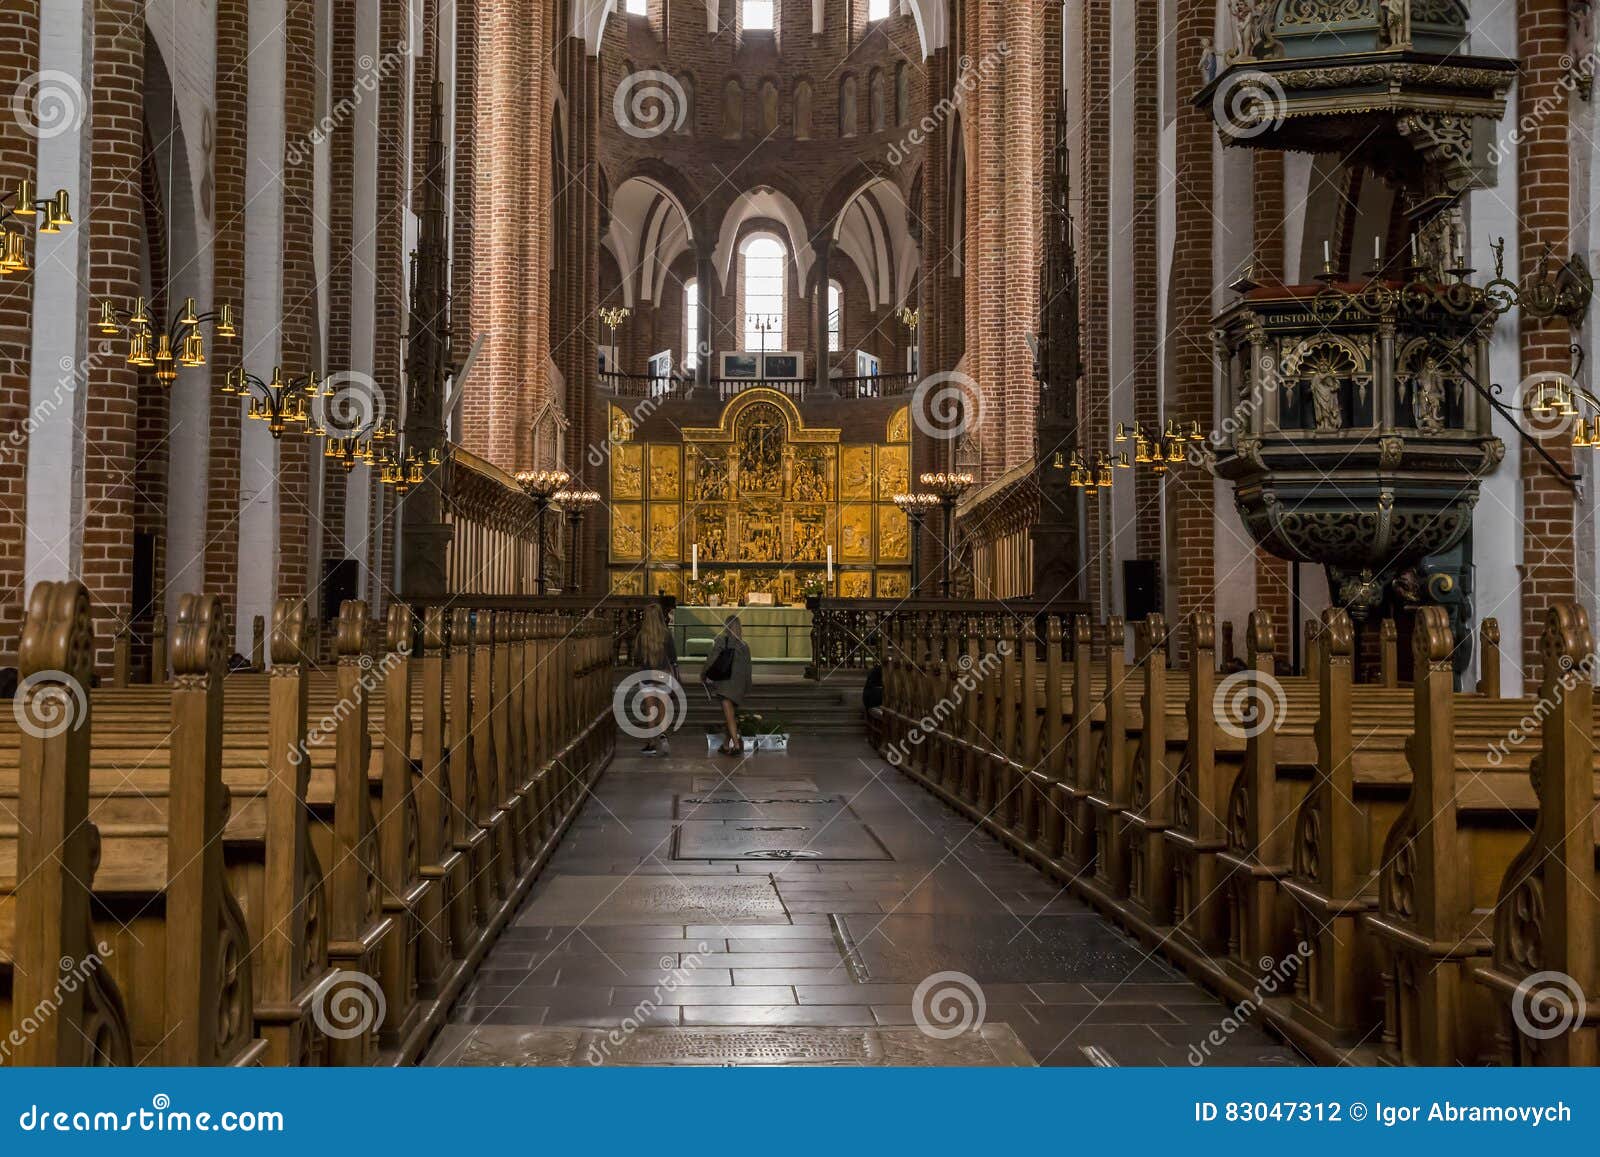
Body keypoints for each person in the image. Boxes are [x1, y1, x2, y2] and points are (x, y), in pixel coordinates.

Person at [703, 614, 753, 756]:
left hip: (725, 683)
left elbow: (711, 660)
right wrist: (747, 687)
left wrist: (703, 674)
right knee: (730, 715)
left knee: (729, 716)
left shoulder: (721, 641)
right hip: (739, 685)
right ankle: (726, 745)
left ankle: (736, 746)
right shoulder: (744, 646)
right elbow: (748, 669)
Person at [634, 602, 680, 756]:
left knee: (649, 710)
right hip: (663, 675)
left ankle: (651, 743)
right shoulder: (666, 634)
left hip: (646, 676)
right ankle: (662, 734)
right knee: (662, 708)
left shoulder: (641, 636)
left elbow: (637, 658)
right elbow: (673, 657)